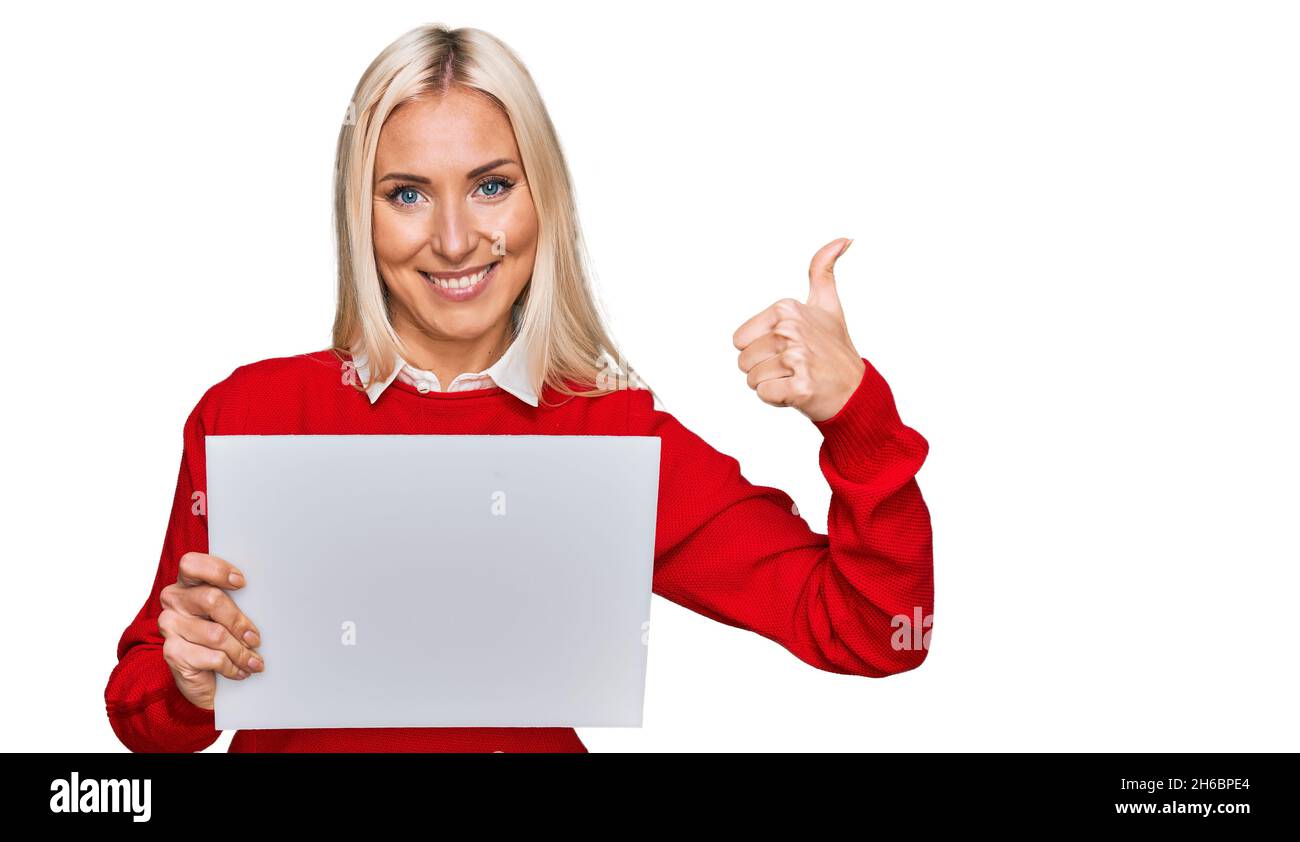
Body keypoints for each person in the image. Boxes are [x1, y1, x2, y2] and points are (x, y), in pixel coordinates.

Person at [104, 23, 933, 753]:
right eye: (408, 194)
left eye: (492, 185)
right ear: (360, 213)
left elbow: (875, 634)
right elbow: (139, 710)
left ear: (546, 201)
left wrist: (853, 413)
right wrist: (188, 685)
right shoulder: (252, 414)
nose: (458, 239)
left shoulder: (613, 433)